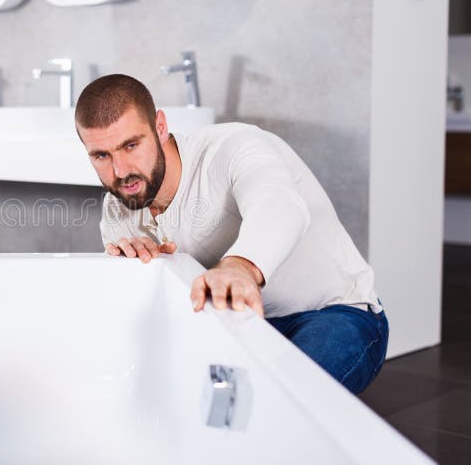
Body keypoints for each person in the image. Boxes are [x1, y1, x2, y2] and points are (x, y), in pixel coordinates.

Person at [74, 74, 388, 395]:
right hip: (237, 324)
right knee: (149, 390)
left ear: (160, 127)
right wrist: (136, 269)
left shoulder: (233, 147)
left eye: (131, 145)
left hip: (333, 313)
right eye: (101, 155)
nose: (121, 170)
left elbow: (279, 203)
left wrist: (239, 266)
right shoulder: (118, 207)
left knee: (278, 404)